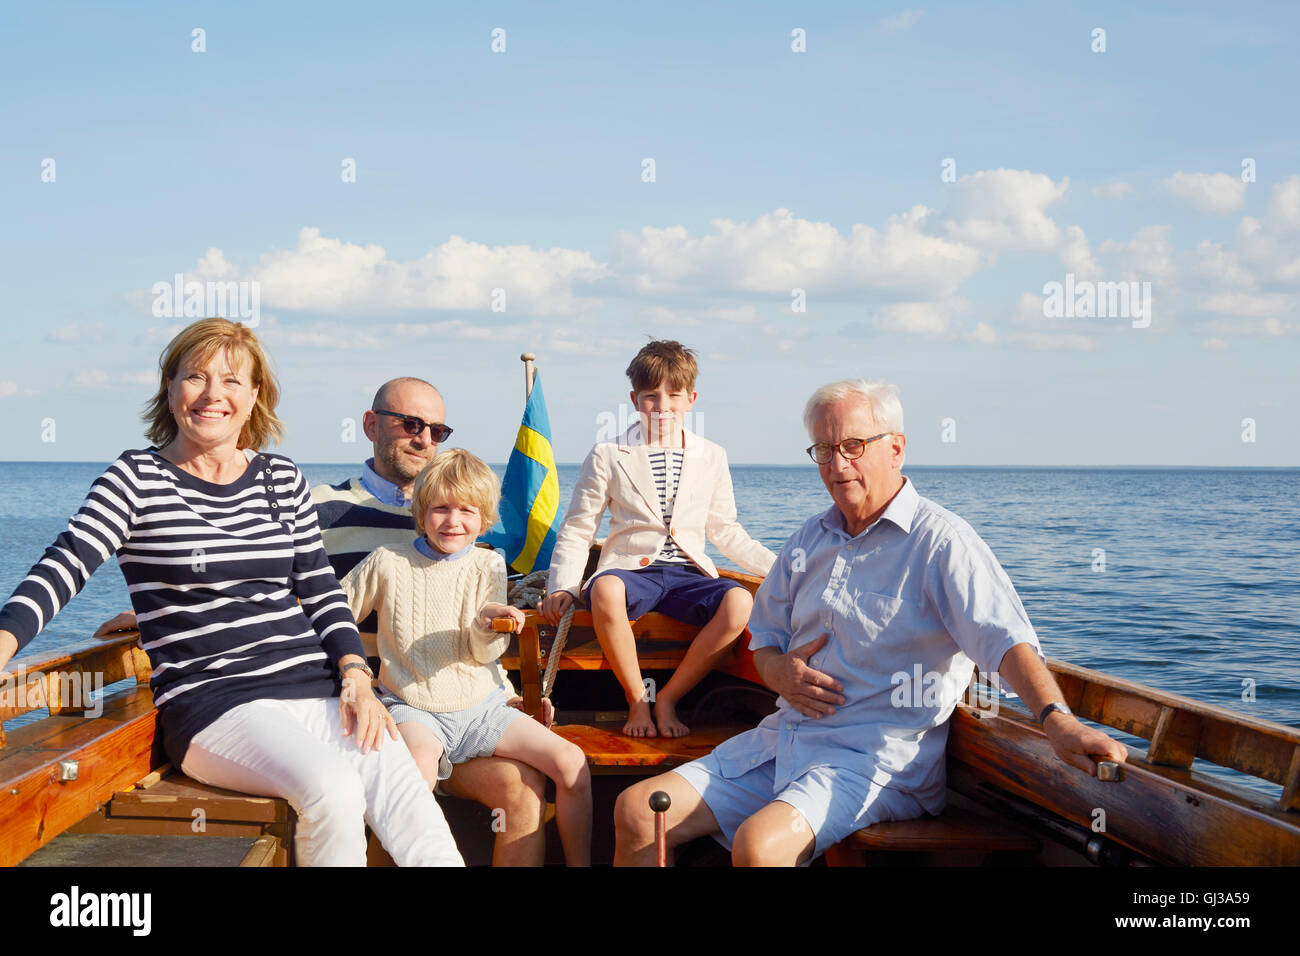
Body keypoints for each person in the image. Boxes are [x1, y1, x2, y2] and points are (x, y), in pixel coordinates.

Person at [0, 318, 462, 867]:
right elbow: (65, 566)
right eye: (195, 377)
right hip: (216, 703)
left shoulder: (279, 478)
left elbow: (319, 590)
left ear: (253, 397)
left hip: (316, 689)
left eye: (232, 381)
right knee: (333, 790)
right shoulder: (136, 478)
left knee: (414, 812)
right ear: (170, 390)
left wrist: (356, 676)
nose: (213, 394)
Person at [613, 379, 1129, 866]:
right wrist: (776, 674)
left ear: (896, 449)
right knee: (637, 812)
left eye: (854, 445)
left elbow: (1005, 640)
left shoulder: (941, 543)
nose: (837, 464)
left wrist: (1057, 721)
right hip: (785, 741)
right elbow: (766, 637)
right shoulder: (809, 540)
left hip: (875, 763)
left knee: (759, 846)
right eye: (823, 449)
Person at [309, 377, 550, 866]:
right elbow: (269, 593)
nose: (425, 440)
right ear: (371, 425)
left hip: (461, 710)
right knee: (399, 788)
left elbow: (484, 620)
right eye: (411, 425)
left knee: (524, 791)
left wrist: (516, 692)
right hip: (367, 711)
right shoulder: (317, 510)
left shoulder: (456, 516)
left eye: (437, 430)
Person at [340, 449, 592, 865]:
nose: (453, 521)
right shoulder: (388, 562)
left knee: (571, 762)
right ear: (421, 512)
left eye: (466, 511)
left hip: (483, 707)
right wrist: (355, 675)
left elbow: (484, 652)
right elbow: (337, 614)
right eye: (440, 508)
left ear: (484, 518)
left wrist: (487, 624)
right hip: (412, 706)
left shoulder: (489, 565)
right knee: (413, 778)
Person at [539, 340, 776, 738]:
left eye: (673, 395)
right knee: (606, 592)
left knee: (739, 601)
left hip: (687, 573)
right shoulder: (607, 454)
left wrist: (782, 570)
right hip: (631, 570)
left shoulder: (712, 455)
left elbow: (726, 530)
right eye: (650, 396)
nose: (662, 405)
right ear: (635, 399)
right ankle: (638, 702)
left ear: (690, 399)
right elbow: (580, 527)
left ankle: (667, 698)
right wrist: (561, 585)